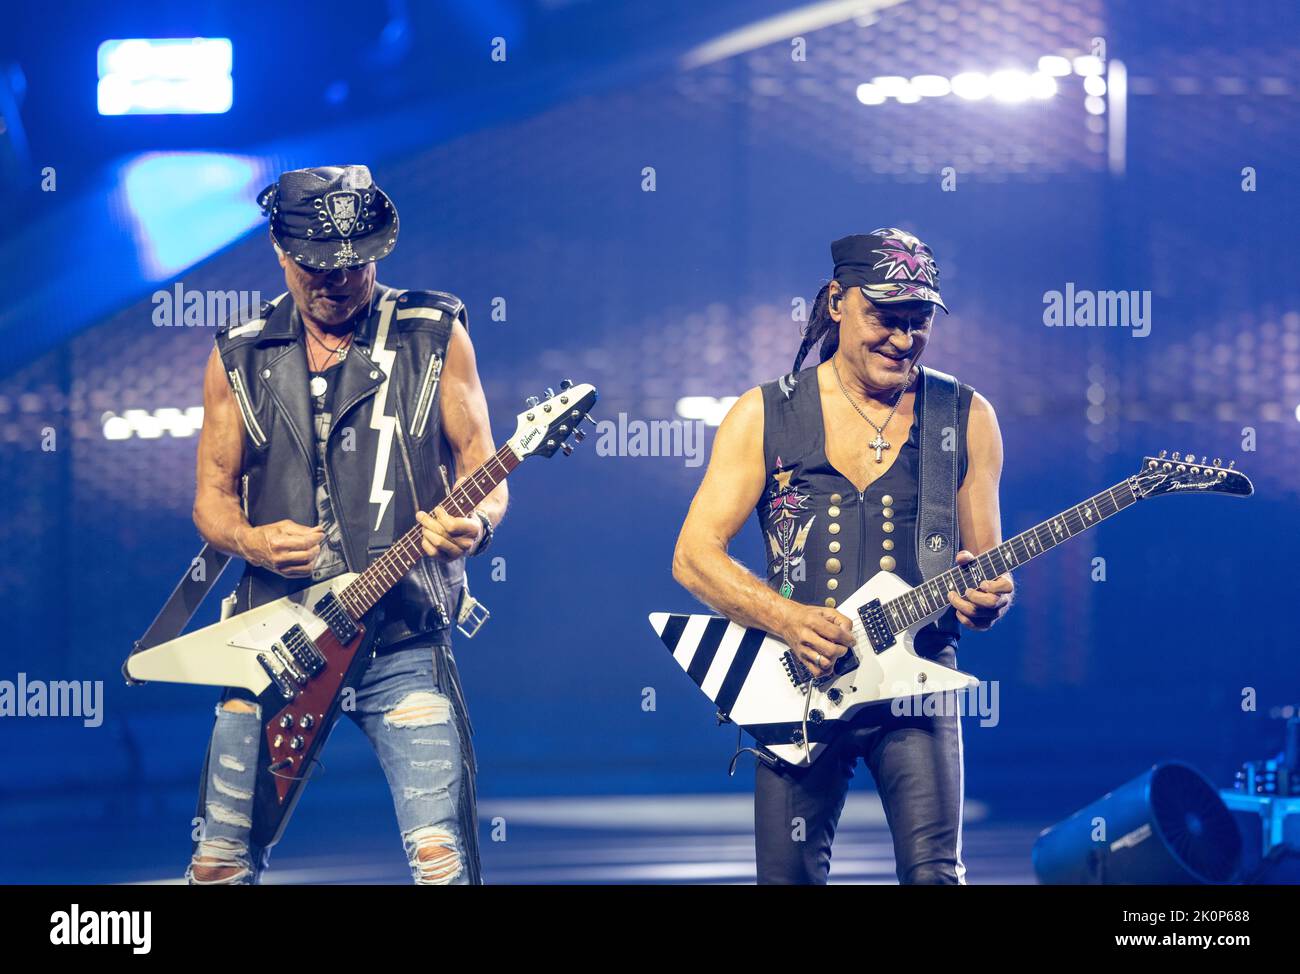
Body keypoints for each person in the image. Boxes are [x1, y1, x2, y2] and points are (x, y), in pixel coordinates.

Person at [186, 165, 505, 884]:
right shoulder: (239, 353)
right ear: (279, 253)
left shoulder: (435, 332)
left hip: (401, 637)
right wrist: (252, 540)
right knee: (218, 862)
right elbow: (210, 500)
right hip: (274, 641)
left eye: (355, 266)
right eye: (317, 269)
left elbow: (483, 464)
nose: (338, 282)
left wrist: (476, 526)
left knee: (440, 862)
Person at [672, 228, 1013, 884]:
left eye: (918, 321)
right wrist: (788, 620)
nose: (904, 338)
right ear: (836, 302)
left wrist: (989, 598)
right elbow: (692, 557)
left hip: (917, 684)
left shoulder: (965, 416)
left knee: (935, 876)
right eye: (885, 317)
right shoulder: (764, 413)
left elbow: (985, 573)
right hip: (799, 685)